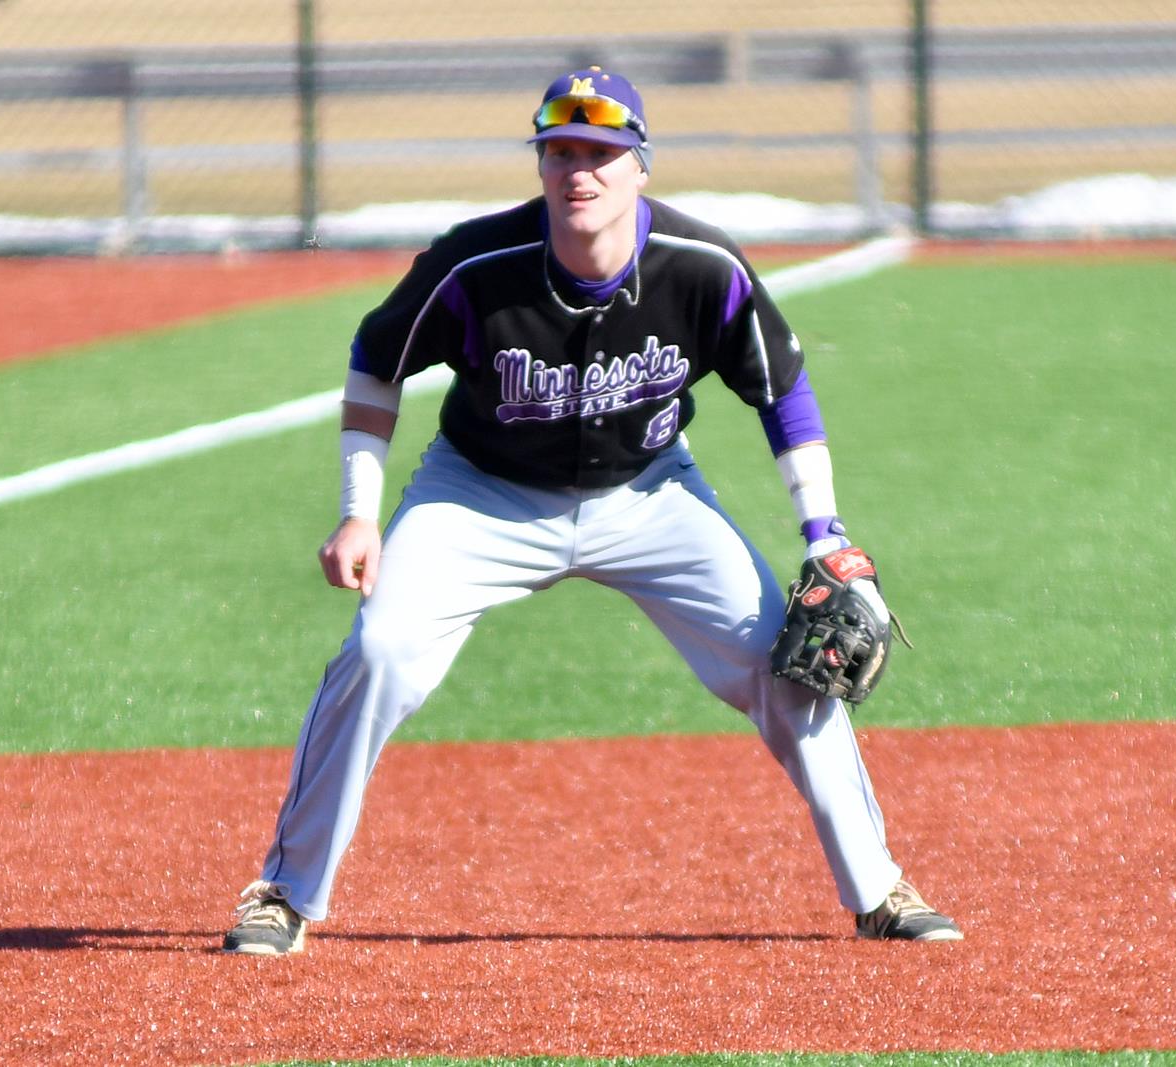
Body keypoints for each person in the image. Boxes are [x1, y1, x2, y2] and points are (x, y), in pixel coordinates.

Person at [223, 66, 961, 955]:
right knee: (377, 652)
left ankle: (880, 890)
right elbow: (376, 363)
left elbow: (784, 394)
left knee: (792, 665)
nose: (581, 170)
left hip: (649, 494)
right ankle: (287, 892)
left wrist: (825, 533)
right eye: (561, 151)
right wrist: (359, 511)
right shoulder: (475, 265)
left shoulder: (701, 266)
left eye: (603, 152)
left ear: (640, 166)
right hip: (479, 495)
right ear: (539, 165)